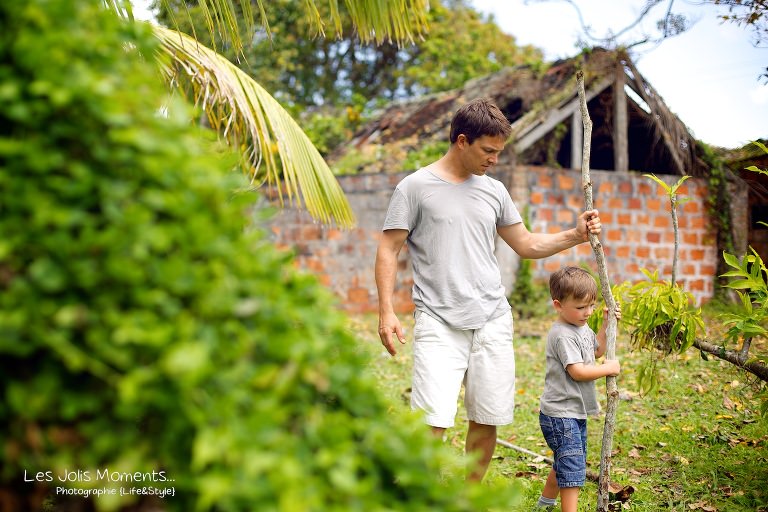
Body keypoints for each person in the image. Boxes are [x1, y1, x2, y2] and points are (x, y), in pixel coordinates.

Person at [374, 97, 602, 482]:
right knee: (431, 421)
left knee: (486, 417)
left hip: (492, 320)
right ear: (462, 141)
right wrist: (386, 311)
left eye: (499, 152)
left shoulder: (494, 191)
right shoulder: (414, 187)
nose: (494, 159)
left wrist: (575, 234)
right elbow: (388, 248)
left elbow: (526, 244)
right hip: (439, 320)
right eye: (488, 151)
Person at [536, 266, 621, 511]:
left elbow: (597, 351)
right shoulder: (563, 335)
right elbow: (578, 371)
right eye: (581, 307)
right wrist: (608, 369)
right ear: (558, 305)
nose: (588, 312)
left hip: (574, 411)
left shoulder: (581, 328)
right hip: (560, 414)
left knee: (566, 459)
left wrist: (606, 325)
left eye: (592, 305)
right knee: (573, 466)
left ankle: (544, 504)